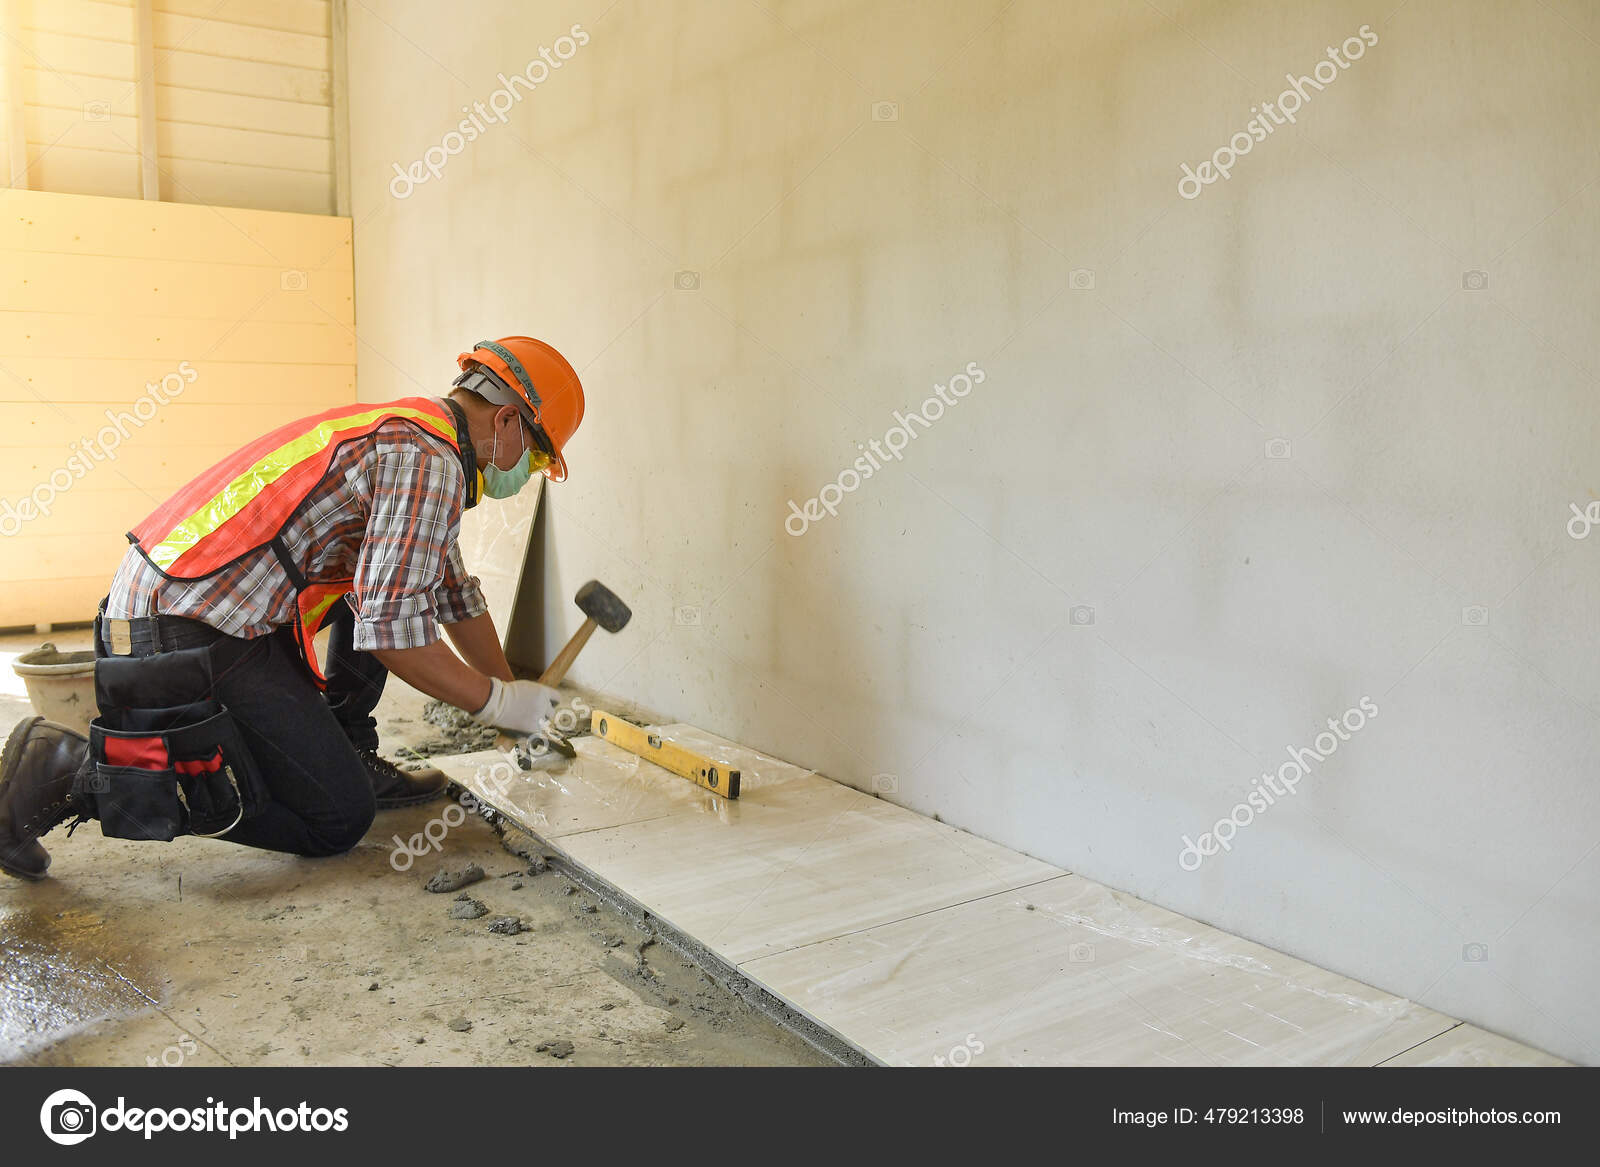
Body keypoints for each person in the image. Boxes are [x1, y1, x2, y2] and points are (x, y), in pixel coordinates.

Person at [0, 337, 583, 880]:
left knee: (396, 582)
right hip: (181, 629)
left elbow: (446, 590)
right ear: (507, 420)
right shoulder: (428, 459)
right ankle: (65, 770)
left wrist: (513, 706)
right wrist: (497, 701)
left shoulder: (416, 433)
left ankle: (344, 749)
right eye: (534, 460)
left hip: (194, 605)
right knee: (334, 819)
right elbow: (391, 630)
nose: (524, 475)